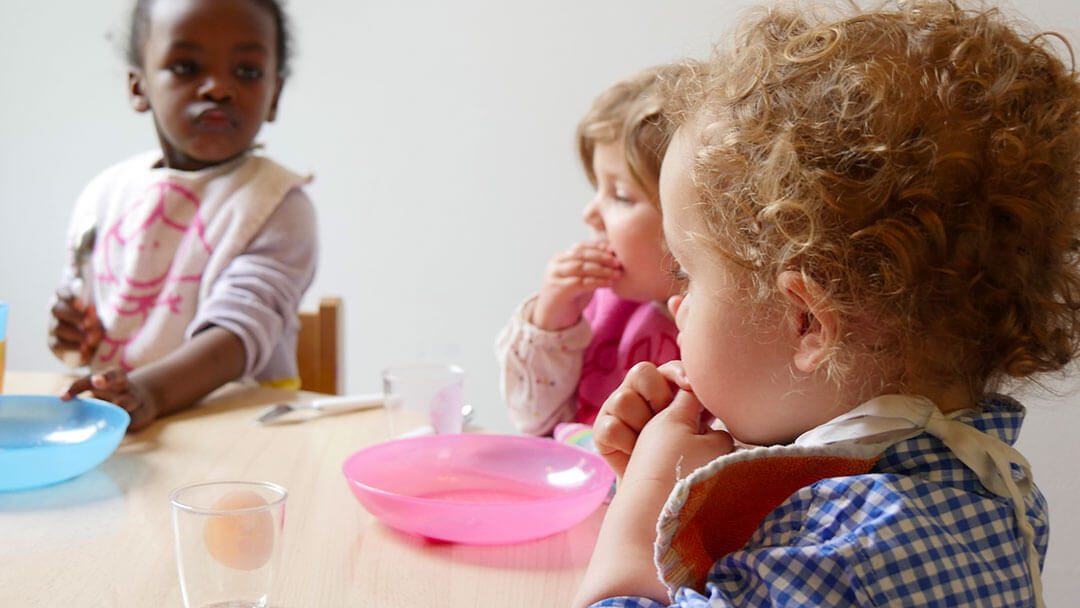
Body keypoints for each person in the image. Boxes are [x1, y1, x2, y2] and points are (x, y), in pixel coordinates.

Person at [574, 1, 1080, 606]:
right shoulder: (978, 485)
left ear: (808, 321)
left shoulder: (844, 547)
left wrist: (632, 537)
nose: (676, 307)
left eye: (689, 275)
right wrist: (677, 495)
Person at [47, 0, 316, 432]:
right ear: (139, 86)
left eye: (246, 72)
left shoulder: (278, 205)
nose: (217, 89)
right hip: (123, 421)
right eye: (186, 67)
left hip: (244, 427)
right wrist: (71, 333)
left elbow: (236, 335)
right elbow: (89, 316)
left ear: (274, 95)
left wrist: (148, 392)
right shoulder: (104, 195)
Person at [495, 64, 686, 440]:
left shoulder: (727, 336)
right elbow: (534, 420)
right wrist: (552, 322)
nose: (590, 213)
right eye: (597, 187)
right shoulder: (599, 308)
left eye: (619, 196)